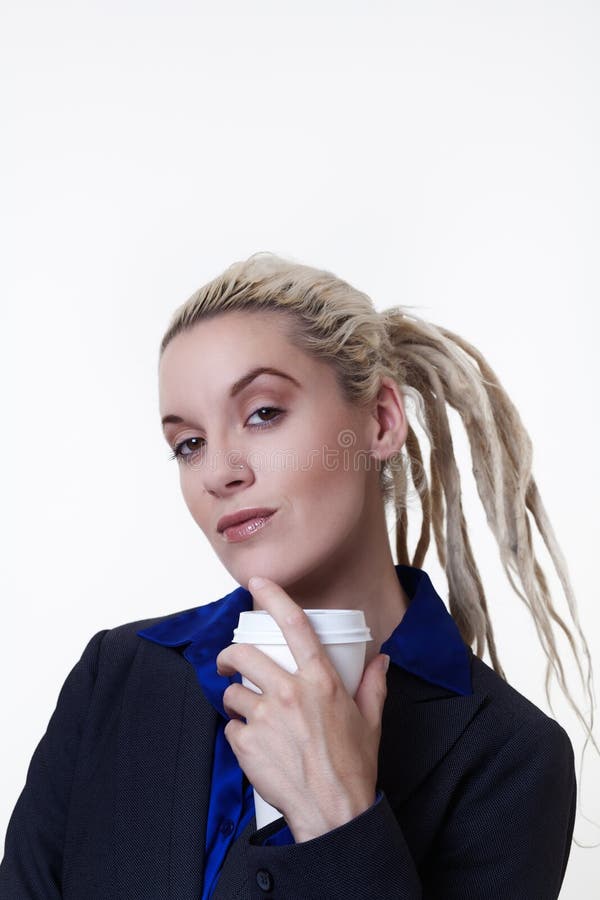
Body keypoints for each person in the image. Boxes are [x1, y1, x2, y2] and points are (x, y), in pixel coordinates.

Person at [0, 252, 595, 899]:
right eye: (188, 443)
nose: (218, 471)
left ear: (381, 420)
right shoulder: (116, 677)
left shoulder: (508, 760)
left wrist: (338, 819)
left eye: (262, 413)